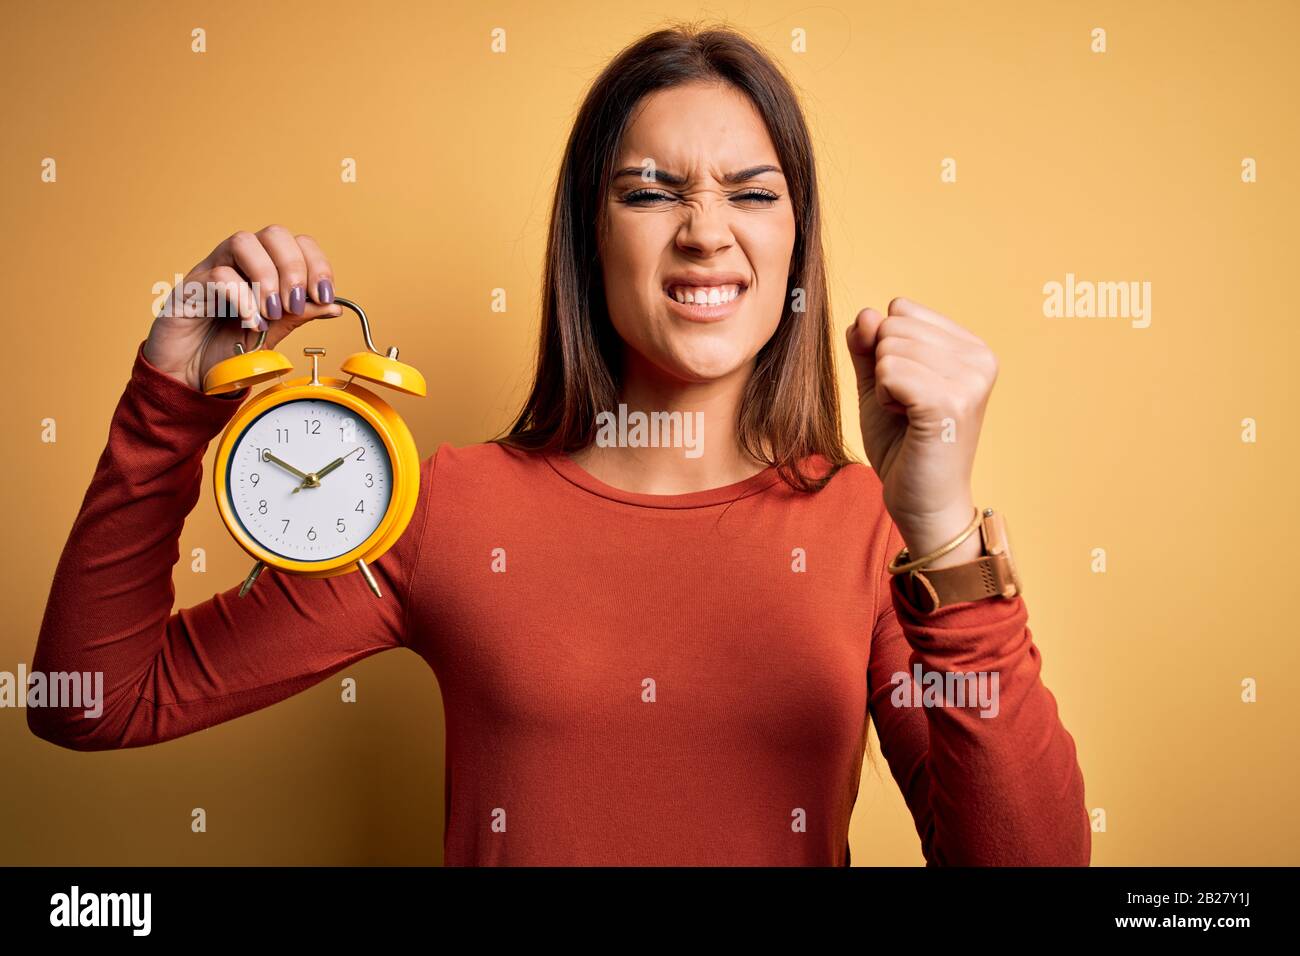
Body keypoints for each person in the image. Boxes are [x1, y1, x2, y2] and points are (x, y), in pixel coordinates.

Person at [28, 23, 1089, 866]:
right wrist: (170, 390)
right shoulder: (440, 509)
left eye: (752, 193)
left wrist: (944, 532)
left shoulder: (863, 523)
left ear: (793, 242)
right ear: (589, 235)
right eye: (648, 191)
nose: (706, 230)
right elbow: (96, 698)